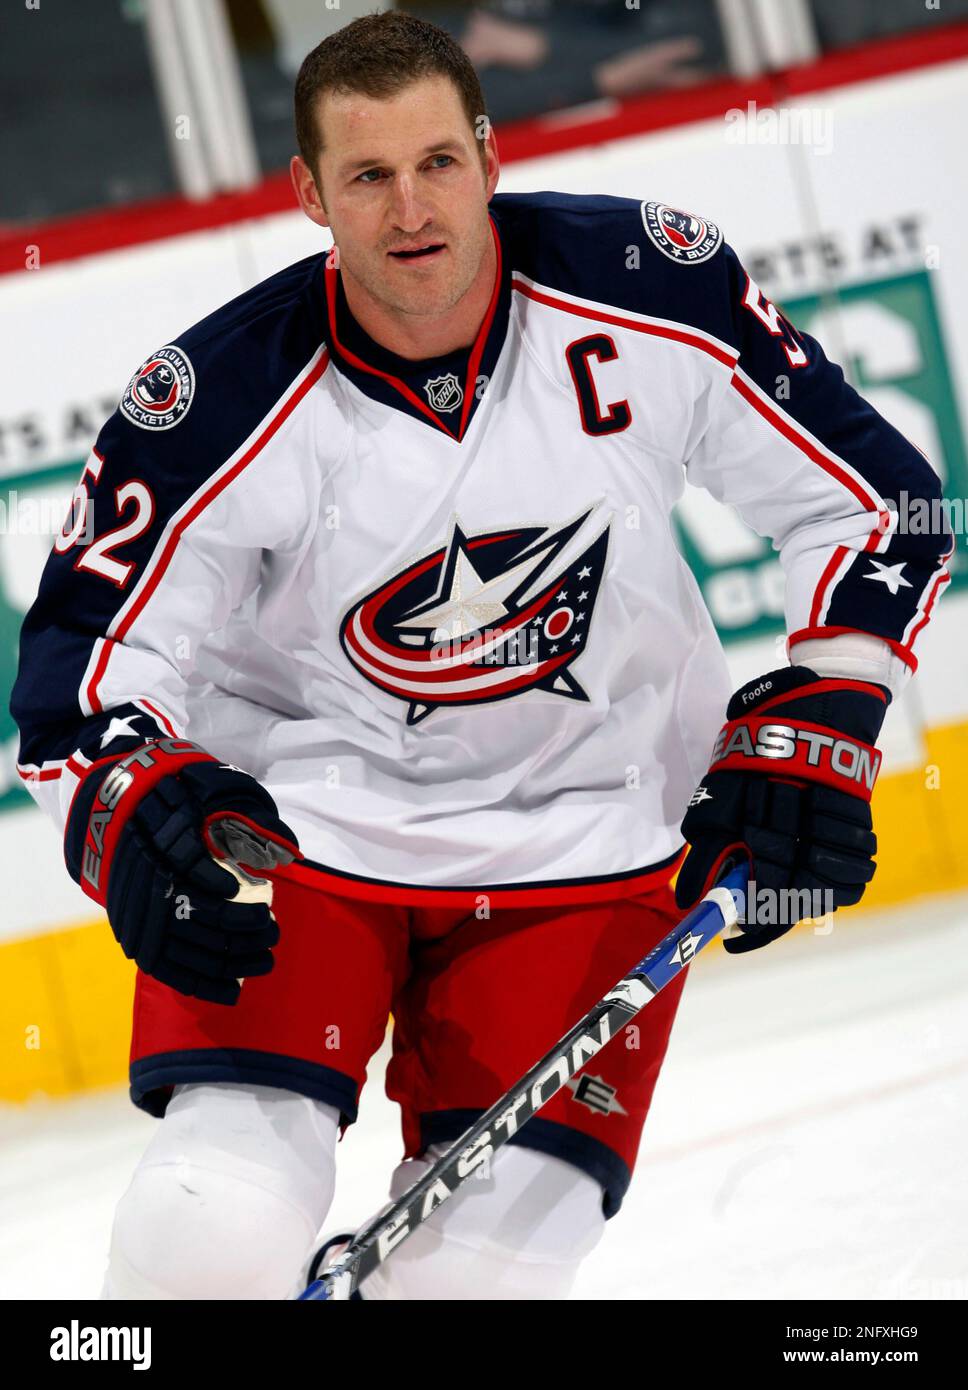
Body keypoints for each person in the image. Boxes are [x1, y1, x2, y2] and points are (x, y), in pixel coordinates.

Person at [12, 11, 950, 1300]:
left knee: (474, 1289)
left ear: (490, 156)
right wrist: (134, 803)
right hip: (306, 830)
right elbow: (81, 663)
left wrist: (823, 724)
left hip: (593, 831)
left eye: (439, 162)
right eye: (370, 176)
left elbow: (881, 504)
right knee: (210, 1232)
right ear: (308, 195)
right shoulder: (216, 399)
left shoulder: (648, 284)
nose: (413, 208)